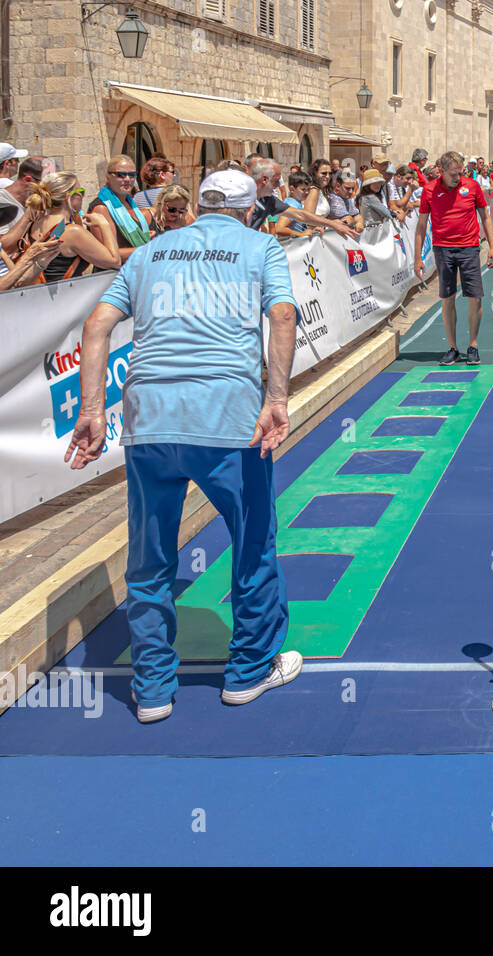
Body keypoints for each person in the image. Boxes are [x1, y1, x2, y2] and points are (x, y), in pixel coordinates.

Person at [65, 169, 303, 723]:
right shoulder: (260, 245)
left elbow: (96, 328)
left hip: (151, 417)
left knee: (149, 559)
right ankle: (249, 672)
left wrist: (93, 411)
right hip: (227, 417)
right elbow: (283, 315)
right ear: (248, 211)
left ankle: (152, 690)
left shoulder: (150, 253)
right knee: (251, 543)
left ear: (197, 206)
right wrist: (278, 398)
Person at [413, 150, 493, 367]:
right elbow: (421, 225)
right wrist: (417, 257)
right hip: (443, 249)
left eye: (460, 173)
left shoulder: (472, 186)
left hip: (469, 248)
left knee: (475, 297)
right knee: (447, 298)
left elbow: (485, 217)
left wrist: (492, 247)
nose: (457, 178)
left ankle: (473, 345)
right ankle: (452, 348)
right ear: (441, 170)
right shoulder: (429, 190)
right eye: (453, 174)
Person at [19, 172, 119, 281]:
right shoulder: (72, 232)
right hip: (66, 295)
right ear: (69, 197)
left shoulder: (37, 224)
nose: (82, 196)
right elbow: (115, 262)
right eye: (81, 192)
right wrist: (104, 224)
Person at [247, 159, 358, 238]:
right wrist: (298, 234)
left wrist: (333, 224)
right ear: (264, 179)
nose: (278, 186)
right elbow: (280, 228)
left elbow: (301, 214)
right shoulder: (242, 198)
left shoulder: (269, 200)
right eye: (276, 181)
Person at [87, 154, 151, 263]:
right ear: (108, 176)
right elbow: (108, 254)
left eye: (131, 175)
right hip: (113, 276)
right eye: (121, 175)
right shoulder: (101, 208)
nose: (127, 179)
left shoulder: (130, 203)